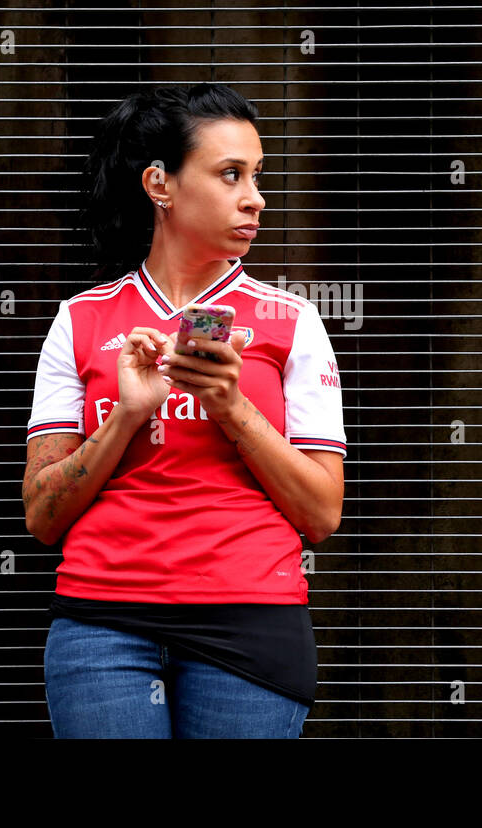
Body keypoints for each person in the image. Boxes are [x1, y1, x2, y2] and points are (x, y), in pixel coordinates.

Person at [22, 82, 346, 738]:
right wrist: (126, 416)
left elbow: (321, 512)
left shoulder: (291, 320)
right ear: (159, 185)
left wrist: (231, 408)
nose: (255, 197)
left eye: (257, 176)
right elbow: (42, 515)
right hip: (103, 623)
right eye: (230, 175)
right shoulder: (82, 319)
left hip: (250, 621)